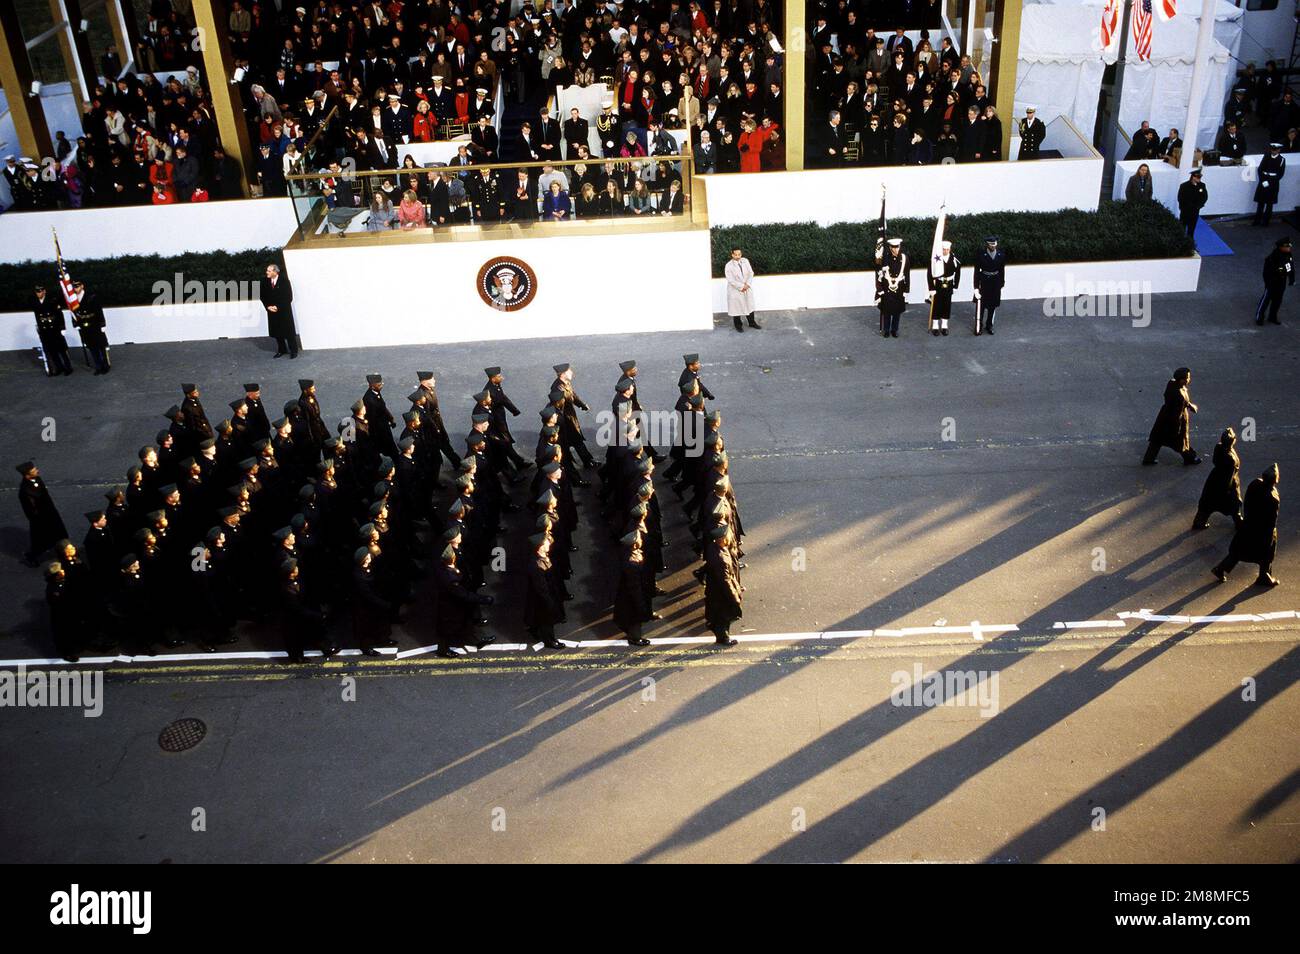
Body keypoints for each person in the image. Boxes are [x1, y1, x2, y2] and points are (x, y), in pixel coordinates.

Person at [1213, 464, 1281, 588]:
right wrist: (1271, 535)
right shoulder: (1273, 497)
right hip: (1262, 532)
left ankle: (1221, 568)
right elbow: (1272, 520)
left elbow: (1248, 503)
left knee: (1238, 551)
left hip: (1249, 526)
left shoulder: (1255, 484)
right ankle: (1264, 576)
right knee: (1266, 555)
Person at [1142, 367, 1202, 466]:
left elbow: (1182, 401)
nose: (1189, 379)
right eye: (1188, 378)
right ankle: (1189, 458)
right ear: (1182, 380)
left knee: (1157, 440)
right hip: (1173, 421)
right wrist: (1177, 429)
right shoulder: (1179, 395)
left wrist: (1189, 405)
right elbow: (1177, 414)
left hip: (1164, 418)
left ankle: (1149, 459)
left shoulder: (1172, 383)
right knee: (1180, 442)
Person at [17, 460, 68, 566]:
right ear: (27, 474)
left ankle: (61, 550)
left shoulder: (38, 479)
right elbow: (30, 510)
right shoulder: (25, 491)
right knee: (40, 541)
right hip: (41, 520)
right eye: (33, 470)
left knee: (58, 534)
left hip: (51, 514)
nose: (37, 470)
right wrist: (38, 520)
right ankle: (32, 557)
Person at [1194, 428, 1243, 531]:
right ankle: (1238, 522)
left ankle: (1199, 522)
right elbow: (1229, 477)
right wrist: (1229, 489)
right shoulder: (1230, 458)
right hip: (1227, 484)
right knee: (1233, 503)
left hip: (1214, 480)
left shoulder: (1219, 447)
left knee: (1207, 503)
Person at [703, 523, 741, 646]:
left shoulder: (714, 548)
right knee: (724, 615)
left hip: (715, 590)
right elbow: (725, 580)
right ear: (723, 539)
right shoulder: (720, 557)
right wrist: (734, 595)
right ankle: (723, 637)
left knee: (721, 614)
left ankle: (721, 633)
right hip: (720, 592)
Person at [70, 281, 110, 374]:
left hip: (95, 325)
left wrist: (102, 324)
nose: (76, 288)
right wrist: (75, 324)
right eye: (74, 287)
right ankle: (98, 366)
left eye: (78, 286)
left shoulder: (92, 297)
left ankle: (105, 366)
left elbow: (99, 311)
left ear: (82, 286)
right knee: (92, 347)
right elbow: (72, 313)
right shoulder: (73, 299)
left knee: (101, 346)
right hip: (84, 327)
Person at [259, 263, 298, 358]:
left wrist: (278, 307)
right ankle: (282, 350)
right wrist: (268, 306)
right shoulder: (264, 281)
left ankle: (293, 350)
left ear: (275, 272)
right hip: (271, 311)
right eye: (267, 270)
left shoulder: (284, 281)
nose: (266, 272)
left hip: (284, 311)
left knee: (288, 332)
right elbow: (262, 295)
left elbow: (288, 297)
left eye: (269, 271)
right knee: (277, 332)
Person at [32, 284, 73, 377]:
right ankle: (59, 368)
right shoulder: (35, 302)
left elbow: (59, 314)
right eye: (37, 292)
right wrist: (39, 328)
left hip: (55, 329)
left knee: (62, 350)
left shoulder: (52, 300)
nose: (39, 294)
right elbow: (38, 317)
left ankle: (68, 368)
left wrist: (62, 327)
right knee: (52, 351)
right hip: (45, 330)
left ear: (44, 291)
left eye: (40, 291)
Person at [1256, 236, 1294, 326]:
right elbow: (1267, 272)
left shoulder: (1288, 255)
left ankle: (1272, 317)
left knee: (1277, 300)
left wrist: (1292, 279)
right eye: (1287, 246)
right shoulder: (1273, 257)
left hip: (1282, 282)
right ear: (1281, 247)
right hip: (1272, 282)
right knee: (1266, 300)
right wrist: (1268, 283)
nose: (1289, 248)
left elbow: (1290, 267)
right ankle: (1259, 317)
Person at [876, 238, 909, 338]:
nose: (896, 250)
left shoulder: (904, 258)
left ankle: (894, 330)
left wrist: (906, 289)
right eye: (893, 248)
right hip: (887, 287)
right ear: (890, 248)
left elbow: (907, 274)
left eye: (897, 247)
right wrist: (879, 289)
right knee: (887, 309)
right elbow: (878, 274)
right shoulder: (884, 258)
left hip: (899, 287)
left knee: (897, 310)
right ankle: (886, 330)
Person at [926, 240, 960, 336]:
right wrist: (931, 288)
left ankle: (944, 326)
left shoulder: (954, 259)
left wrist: (955, 286)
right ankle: (935, 326)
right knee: (937, 304)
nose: (945, 251)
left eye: (947, 249)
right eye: (943, 249)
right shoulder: (936, 259)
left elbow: (958, 273)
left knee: (947, 304)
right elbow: (929, 274)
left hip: (948, 284)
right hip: (938, 284)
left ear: (950, 249)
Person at [973, 235, 1006, 335]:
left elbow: (1002, 270)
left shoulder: (1001, 255)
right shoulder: (981, 254)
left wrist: (1001, 282)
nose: (993, 246)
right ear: (987, 245)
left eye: (995, 244)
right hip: (984, 282)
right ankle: (979, 326)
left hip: (995, 282)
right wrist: (975, 287)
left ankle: (989, 325)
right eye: (991, 245)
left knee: (993, 306)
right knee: (981, 306)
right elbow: (976, 272)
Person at [724, 247, 759, 331]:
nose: (737, 256)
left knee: (749, 305)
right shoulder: (728, 265)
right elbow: (730, 280)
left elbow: (751, 273)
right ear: (732, 255)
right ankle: (738, 325)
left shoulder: (745, 261)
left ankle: (752, 323)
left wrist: (747, 285)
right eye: (735, 254)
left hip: (747, 287)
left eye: (739, 254)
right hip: (735, 290)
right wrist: (741, 286)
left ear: (741, 254)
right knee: (736, 308)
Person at [1254, 143, 1286, 226]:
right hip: (1263, 181)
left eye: (1275, 150)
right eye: (1272, 149)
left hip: (1273, 184)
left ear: (1279, 150)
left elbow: (1280, 174)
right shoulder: (1266, 156)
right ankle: (1257, 220)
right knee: (1261, 202)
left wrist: (1271, 182)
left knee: (1269, 204)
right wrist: (1263, 180)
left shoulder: (1281, 160)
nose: (1273, 151)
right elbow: (1260, 169)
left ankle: (1266, 221)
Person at [1177, 169, 1208, 240]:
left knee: (1191, 228)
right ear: (1193, 177)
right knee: (1182, 227)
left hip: (1195, 211)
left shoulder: (1202, 186)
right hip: (1185, 211)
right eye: (1198, 177)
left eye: (1200, 177)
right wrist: (1182, 207)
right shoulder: (1184, 186)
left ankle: (1190, 242)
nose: (1199, 179)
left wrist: (1199, 206)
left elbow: (1204, 197)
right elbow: (1180, 198)